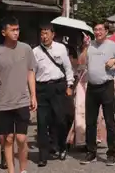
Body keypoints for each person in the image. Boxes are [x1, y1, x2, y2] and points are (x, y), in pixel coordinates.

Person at [0, 17, 36, 173]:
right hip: (3, 102)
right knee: (7, 139)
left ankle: (23, 169)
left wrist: (33, 95)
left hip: (22, 100)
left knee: (21, 138)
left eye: (17, 29)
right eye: (12, 30)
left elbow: (30, 72)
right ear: (4, 32)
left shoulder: (26, 49)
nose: (16, 32)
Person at [81, 22, 115, 165]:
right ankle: (91, 152)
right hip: (92, 87)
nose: (98, 32)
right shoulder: (90, 45)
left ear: (106, 31)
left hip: (106, 86)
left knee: (109, 121)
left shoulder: (112, 45)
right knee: (90, 122)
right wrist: (85, 47)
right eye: (95, 30)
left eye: (100, 29)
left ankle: (111, 153)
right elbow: (81, 62)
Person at [33, 24, 74, 167]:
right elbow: (32, 72)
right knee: (42, 123)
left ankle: (62, 146)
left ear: (53, 34)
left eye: (46, 33)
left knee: (60, 120)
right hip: (42, 89)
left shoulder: (60, 48)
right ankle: (43, 155)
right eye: (42, 34)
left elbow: (68, 67)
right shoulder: (35, 51)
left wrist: (69, 85)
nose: (44, 37)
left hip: (58, 87)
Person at [67, 35, 107, 150]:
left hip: (92, 81)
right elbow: (80, 63)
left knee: (93, 111)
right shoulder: (79, 51)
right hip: (82, 83)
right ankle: (83, 138)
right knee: (81, 110)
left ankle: (94, 137)